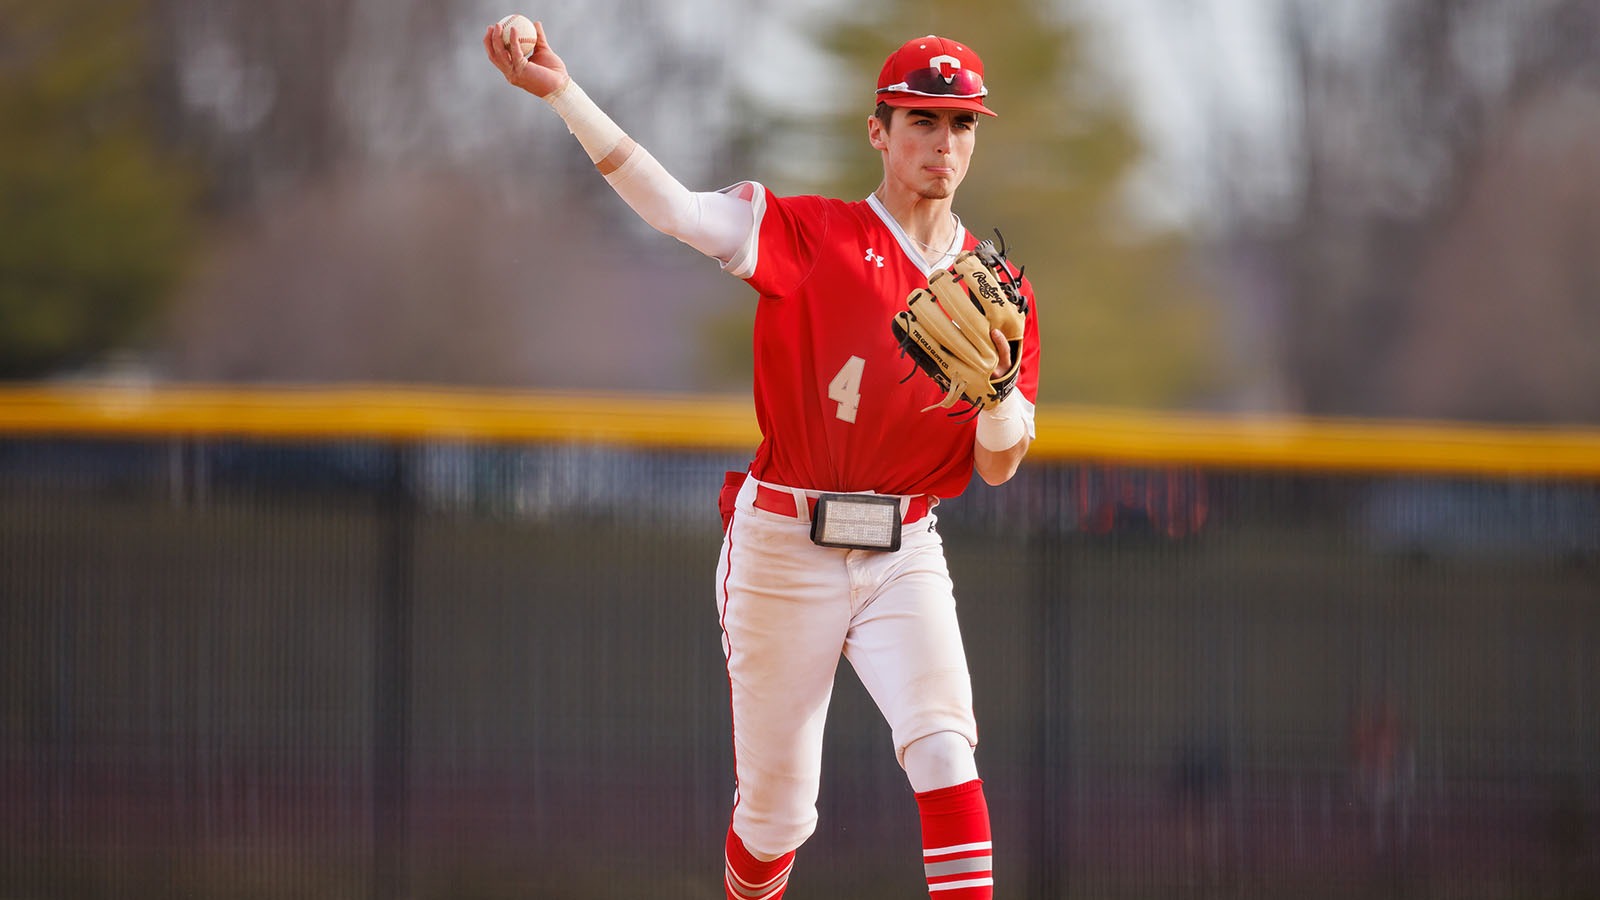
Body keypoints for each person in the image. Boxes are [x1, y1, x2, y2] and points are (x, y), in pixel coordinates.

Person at [484, 19, 1040, 900]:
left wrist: (1002, 397)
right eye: (923, 119)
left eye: (962, 122)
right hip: (786, 544)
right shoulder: (810, 234)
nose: (944, 141)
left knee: (944, 749)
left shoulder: (998, 292)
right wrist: (563, 94)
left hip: (905, 547)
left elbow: (999, 465)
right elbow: (675, 209)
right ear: (879, 130)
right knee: (777, 818)